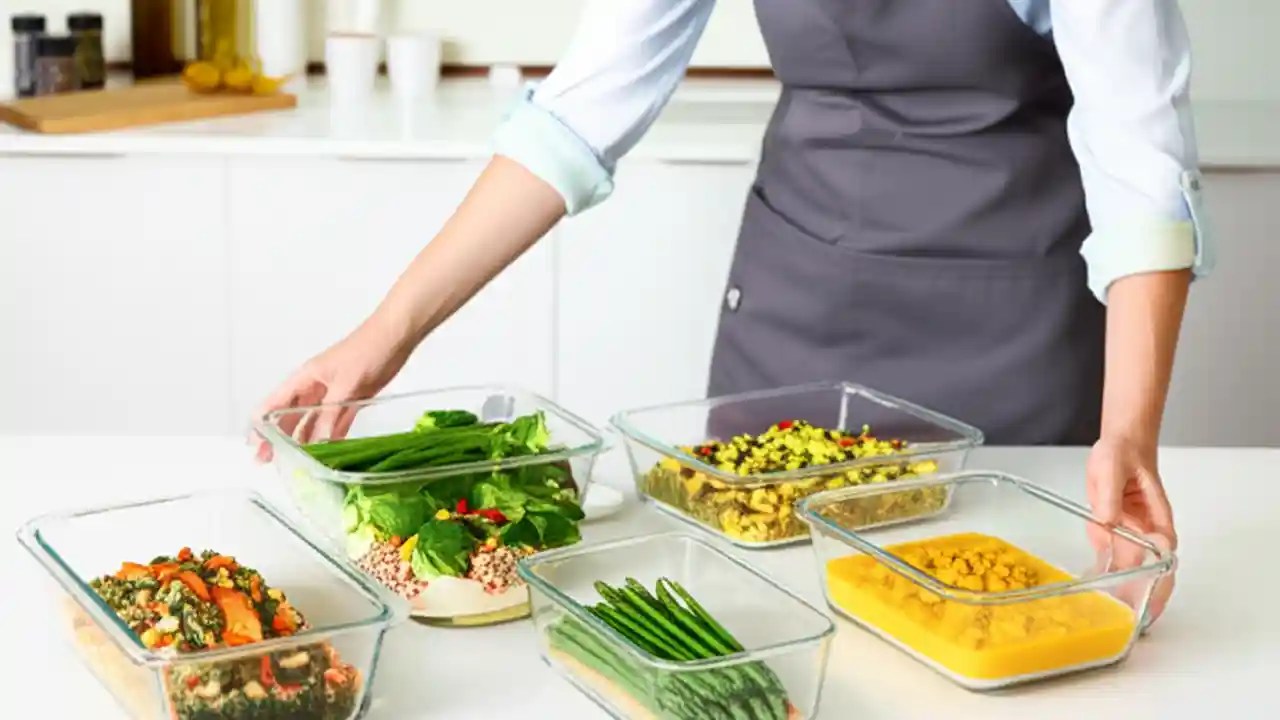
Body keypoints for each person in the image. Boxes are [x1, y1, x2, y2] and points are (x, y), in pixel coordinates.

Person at [254, 1, 1211, 623]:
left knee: (987, 624)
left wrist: (1130, 429)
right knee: (758, 615)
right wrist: (383, 337)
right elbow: (578, 116)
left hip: (1006, 317)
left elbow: (1143, 167)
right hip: (796, 310)